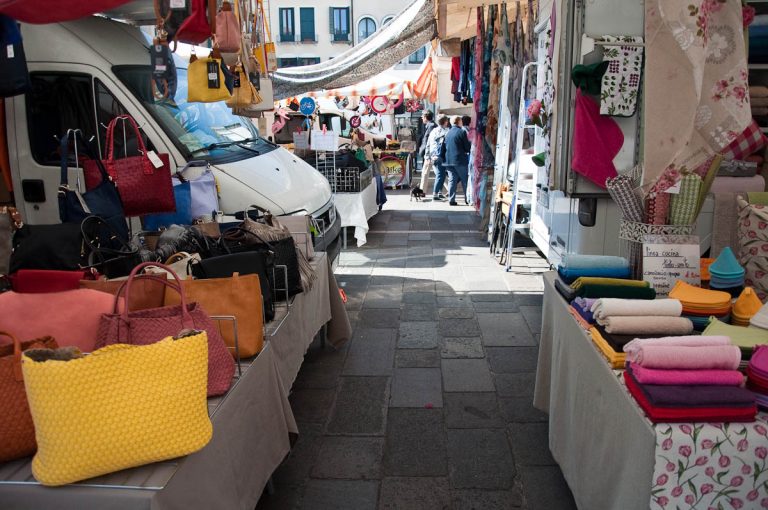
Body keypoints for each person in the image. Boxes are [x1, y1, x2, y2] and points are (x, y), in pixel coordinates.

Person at [443, 116, 471, 205]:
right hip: (459, 160)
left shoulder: (447, 133)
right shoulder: (461, 132)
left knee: (452, 180)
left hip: (449, 161)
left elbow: (443, 147)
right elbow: (467, 147)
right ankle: (467, 199)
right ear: (459, 122)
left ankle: (451, 200)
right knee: (465, 180)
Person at [426, 115, 450, 200]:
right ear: (445, 122)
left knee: (441, 175)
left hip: (433, 156)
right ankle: (435, 194)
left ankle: (439, 192)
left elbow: (428, 144)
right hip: (441, 155)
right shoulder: (446, 132)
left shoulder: (433, 131)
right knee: (440, 175)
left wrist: (427, 156)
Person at [417, 111, 436, 191]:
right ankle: (449, 188)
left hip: (430, 153)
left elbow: (429, 141)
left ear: (426, 117)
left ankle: (422, 190)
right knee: (438, 173)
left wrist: (427, 154)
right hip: (430, 153)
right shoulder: (429, 125)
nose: (421, 118)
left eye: (422, 116)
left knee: (425, 173)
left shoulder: (431, 126)